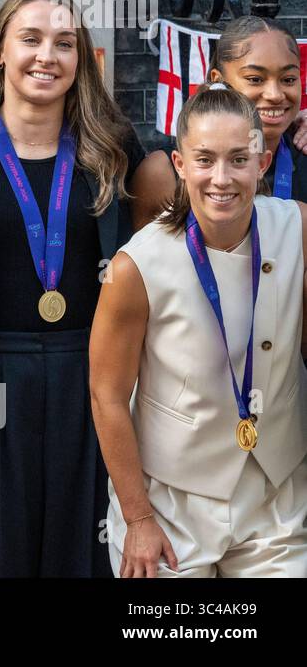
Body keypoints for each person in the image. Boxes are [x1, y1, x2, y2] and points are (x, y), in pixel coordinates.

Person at [0, 0, 147, 577]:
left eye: (64, 43)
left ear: (81, 59)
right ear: (0, 50)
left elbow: (204, 178)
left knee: (84, 556)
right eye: (31, 39)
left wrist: (291, 139)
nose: (47, 56)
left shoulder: (114, 149)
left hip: (89, 379)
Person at [91, 84, 307, 577]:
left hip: (276, 501)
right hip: (169, 504)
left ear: (263, 162)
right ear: (180, 164)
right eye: (205, 160)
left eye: (239, 159)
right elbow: (107, 396)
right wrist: (138, 518)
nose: (221, 178)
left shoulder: (298, 229)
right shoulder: (134, 266)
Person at [135, 16, 307, 219]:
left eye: (288, 79)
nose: (275, 95)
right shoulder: (162, 174)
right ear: (218, 79)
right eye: (255, 79)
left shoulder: (302, 155)